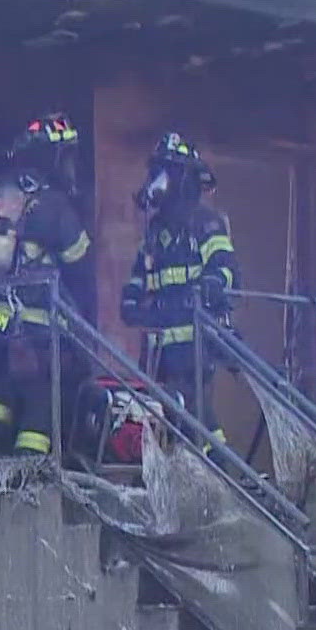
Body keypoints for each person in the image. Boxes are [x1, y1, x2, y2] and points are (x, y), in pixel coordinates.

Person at [0, 112, 95, 458]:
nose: (69, 165)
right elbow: (80, 266)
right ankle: (29, 470)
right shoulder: (55, 206)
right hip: (34, 320)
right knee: (44, 392)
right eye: (65, 156)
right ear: (51, 158)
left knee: (1, 387)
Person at [120, 132, 241, 453]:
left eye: (166, 174)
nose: (158, 183)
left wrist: (212, 285)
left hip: (195, 343)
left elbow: (226, 269)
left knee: (193, 410)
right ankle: (189, 472)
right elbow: (139, 276)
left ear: (183, 179)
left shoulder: (205, 223)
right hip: (159, 348)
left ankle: (219, 469)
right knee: (168, 412)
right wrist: (131, 300)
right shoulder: (156, 232)